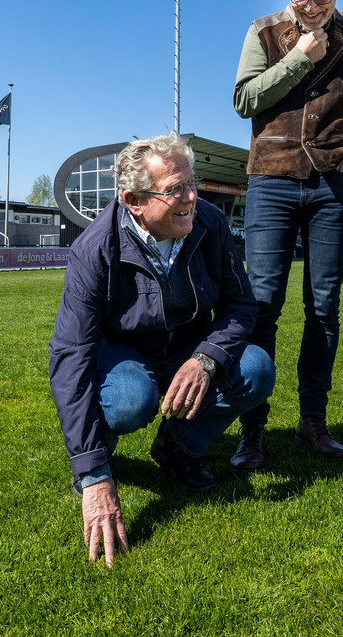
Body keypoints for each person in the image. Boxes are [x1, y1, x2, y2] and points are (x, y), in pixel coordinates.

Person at [48, 133, 275, 565]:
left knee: (257, 369)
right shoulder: (94, 249)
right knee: (130, 401)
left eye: (193, 182)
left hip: (190, 345)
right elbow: (70, 355)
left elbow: (241, 304)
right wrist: (92, 473)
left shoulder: (209, 222)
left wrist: (206, 358)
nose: (192, 197)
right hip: (124, 354)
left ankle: (177, 447)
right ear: (134, 201)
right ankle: (99, 460)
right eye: (175, 190)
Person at [230, 0, 343, 471]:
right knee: (262, 306)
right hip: (271, 180)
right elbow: (244, 99)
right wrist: (299, 56)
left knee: (324, 307)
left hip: (331, 184)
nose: (308, 4)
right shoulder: (265, 31)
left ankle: (312, 423)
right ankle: (253, 430)